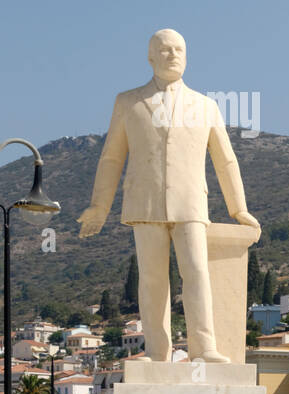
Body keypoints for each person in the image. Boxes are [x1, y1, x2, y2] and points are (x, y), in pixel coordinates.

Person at [78, 29, 259, 362]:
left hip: (190, 202)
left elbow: (226, 159)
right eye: (164, 50)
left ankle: (204, 349)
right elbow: (112, 157)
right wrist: (98, 206)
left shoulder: (205, 105)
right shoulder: (128, 101)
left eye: (179, 50)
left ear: (187, 57)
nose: (173, 55)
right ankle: (158, 352)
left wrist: (239, 209)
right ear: (150, 57)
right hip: (145, 202)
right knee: (151, 279)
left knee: (196, 273)